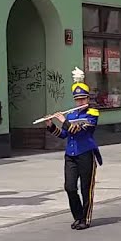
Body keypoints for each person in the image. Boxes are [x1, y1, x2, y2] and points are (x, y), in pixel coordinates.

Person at [49, 68, 101, 230]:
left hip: (86, 154)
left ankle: (85, 218)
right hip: (70, 155)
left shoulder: (92, 113)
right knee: (70, 187)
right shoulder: (71, 116)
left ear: (87, 99)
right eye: (77, 100)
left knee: (86, 188)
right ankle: (77, 216)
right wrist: (51, 126)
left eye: (82, 99)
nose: (80, 103)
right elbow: (64, 134)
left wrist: (63, 120)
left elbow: (76, 130)